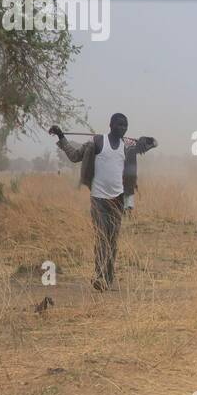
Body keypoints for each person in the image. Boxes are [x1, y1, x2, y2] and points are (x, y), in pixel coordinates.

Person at [49, 114, 158, 291]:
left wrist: (150, 140)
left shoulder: (128, 146)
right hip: (98, 199)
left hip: (118, 200)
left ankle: (108, 277)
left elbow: (152, 144)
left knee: (112, 241)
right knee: (101, 239)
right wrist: (61, 137)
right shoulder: (97, 143)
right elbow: (75, 156)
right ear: (111, 125)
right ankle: (99, 276)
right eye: (119, 124)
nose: (122, 128)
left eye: (125, 125)